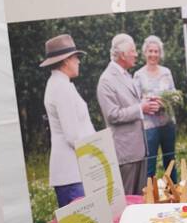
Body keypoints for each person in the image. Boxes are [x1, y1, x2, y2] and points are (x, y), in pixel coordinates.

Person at [97, 33, 159, 195]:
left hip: (138, 149)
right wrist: (140, 108)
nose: (136, 54)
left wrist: (145, 101)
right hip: (125, 153)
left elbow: (130, 103)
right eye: (133, 51)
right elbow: (112, 114)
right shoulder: (107, 80)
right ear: (123, 55)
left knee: (139, 199)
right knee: (128, 199)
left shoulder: (125, 74)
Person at [41, 34, 93, 207]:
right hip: (72, 173)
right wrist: (98, 151)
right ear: (65, 61)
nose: (78, 62)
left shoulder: (60, 83)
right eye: (76, 58)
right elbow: (73, 136)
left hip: (75, 171)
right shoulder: (60, 87)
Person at [134, 35, 177, 179]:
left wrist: (163, 103)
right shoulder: (138, 75)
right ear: (145, 53)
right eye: (150, 51)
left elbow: (175, 96)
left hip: (167, 124)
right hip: (149, 126)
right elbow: (134, 101)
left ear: (160, 53)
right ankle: (150, 196)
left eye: (156, 51)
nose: (153, 54)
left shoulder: (166, 72)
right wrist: (145, 105)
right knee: (149, 165)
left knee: (170, 163)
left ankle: (173, 195)